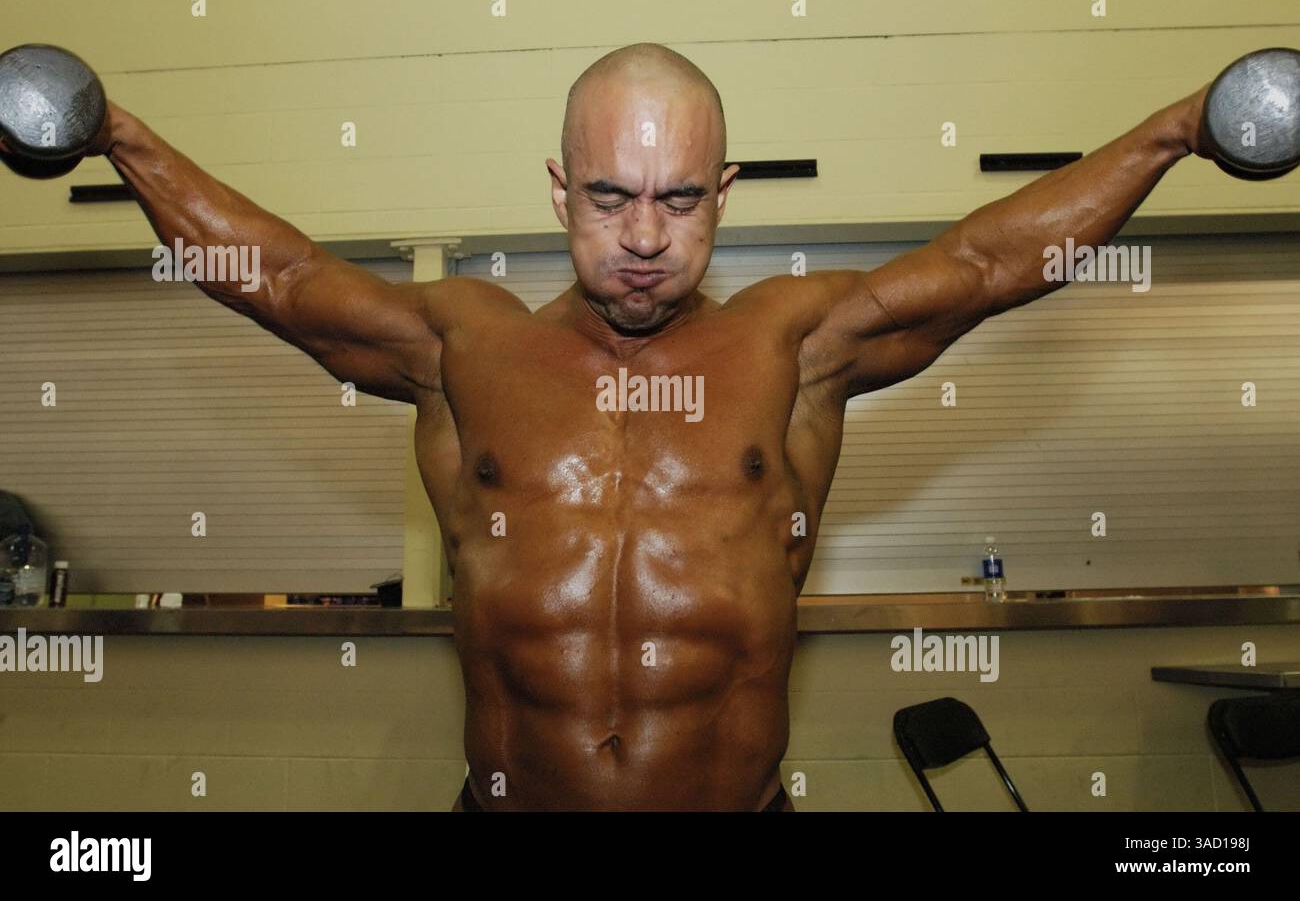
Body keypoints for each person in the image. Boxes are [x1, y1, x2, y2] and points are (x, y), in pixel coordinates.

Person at [85, 42, 1215, 810]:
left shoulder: (794, 347)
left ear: (722, 195)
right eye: (609, 196)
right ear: (557, 190)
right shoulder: (462, 349)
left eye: (677, 199)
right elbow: (278, 275)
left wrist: (1172, 133)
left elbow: (983, 262)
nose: (642, 235)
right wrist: (118, 136)